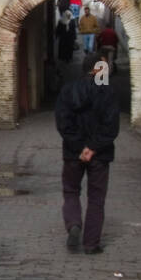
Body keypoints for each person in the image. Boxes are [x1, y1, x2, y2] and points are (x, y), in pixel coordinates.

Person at [54, 52, 121, 253]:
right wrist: (93, 147)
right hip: (100, 155)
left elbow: (63, 123)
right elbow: (111, 127)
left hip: (73, 154)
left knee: (71, 191)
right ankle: (91, 244)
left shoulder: (68, 90)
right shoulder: (108, 93)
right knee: (96, 198)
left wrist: (79, 147)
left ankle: (74, 223)